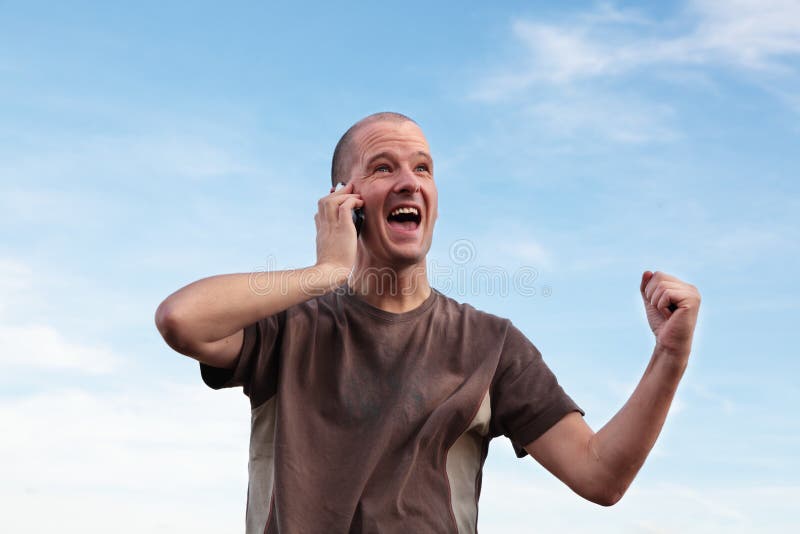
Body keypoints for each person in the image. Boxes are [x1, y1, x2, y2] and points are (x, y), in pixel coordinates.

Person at [155, 112, 701, 533]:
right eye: (382, 167)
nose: (409, 182)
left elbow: (601, 475)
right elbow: (182, 319)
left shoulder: (492, 344)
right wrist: (325, 272)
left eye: (422, 168)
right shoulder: (289, 326)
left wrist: (669, 356)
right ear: (343, 203)